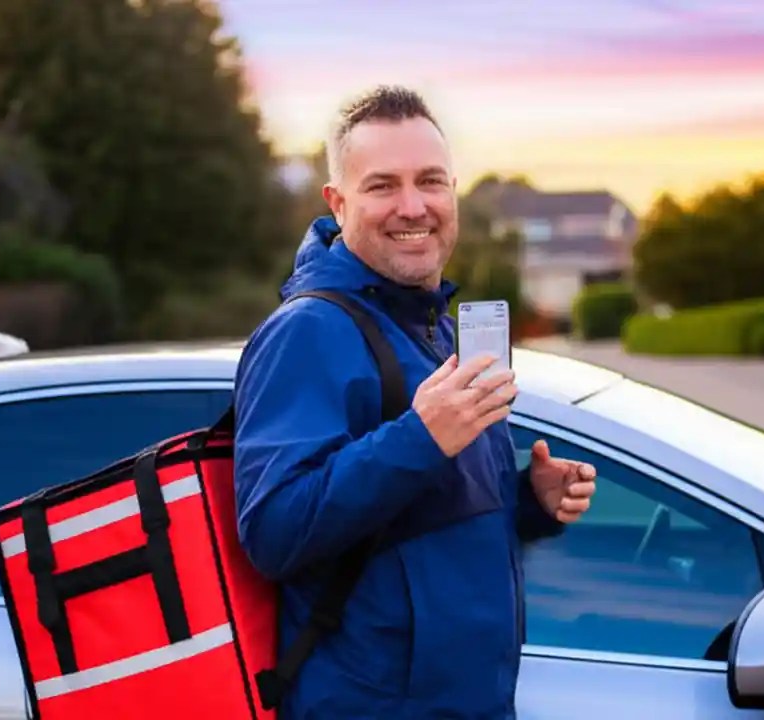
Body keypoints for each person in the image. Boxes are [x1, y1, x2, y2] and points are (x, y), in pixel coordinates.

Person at [232, 85, 597, 719]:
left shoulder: (433, 329)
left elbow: (420, 522)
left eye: (430, 181)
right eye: (382, 186)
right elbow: (273, 531)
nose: (413, 206)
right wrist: (420, 435)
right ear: (338, 203)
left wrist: (528, 503)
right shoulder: (308, 331)